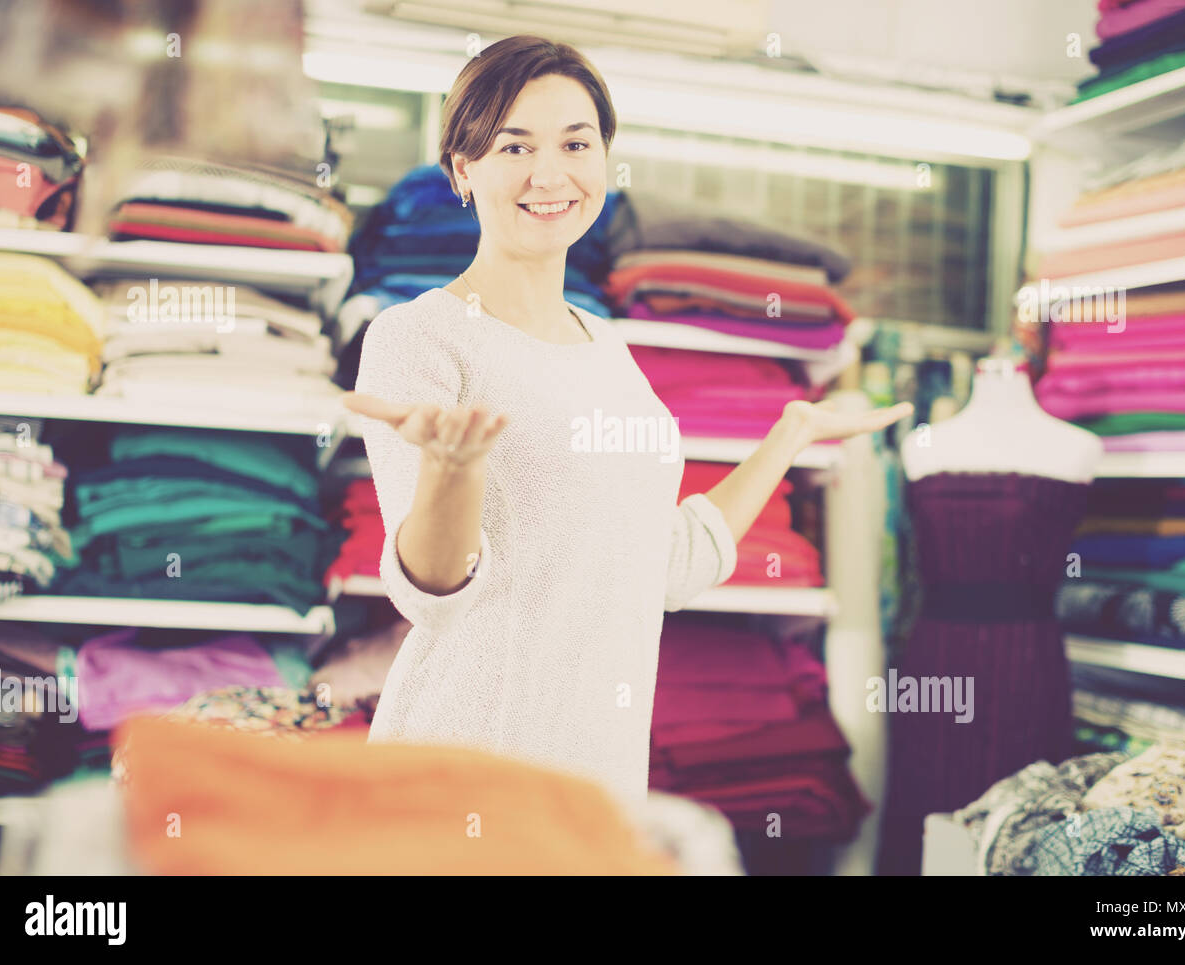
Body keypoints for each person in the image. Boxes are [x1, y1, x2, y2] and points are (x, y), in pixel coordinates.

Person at [342, 34, 911, 815]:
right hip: (466, 777)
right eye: (515, 146)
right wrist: (453, 472)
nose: (551, 174)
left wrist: (789, 435)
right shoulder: (420, 337)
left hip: (597, 790)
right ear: (462, 171)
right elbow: (432, 594)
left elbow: (662, 564)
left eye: (576, 143)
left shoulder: (607, 348)